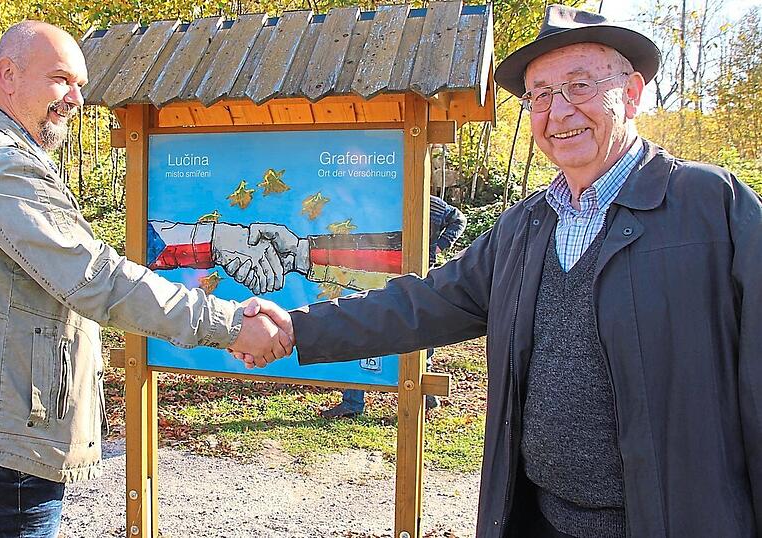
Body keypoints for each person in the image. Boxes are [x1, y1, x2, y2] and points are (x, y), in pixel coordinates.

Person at [238, 5, 762, 537]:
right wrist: (295, 328)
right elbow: (422, 305)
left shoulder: (712, 207)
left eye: (579, 86)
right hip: (543, 521)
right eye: (539, 95)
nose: (558, 113)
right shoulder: (526, 227)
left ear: (630, 93)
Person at [0, 21, 289, 538]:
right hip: (14, 427)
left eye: (81, 84)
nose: (76, 99)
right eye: (62, 79)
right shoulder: (1, 167)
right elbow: (96, 279)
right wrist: (227, 323)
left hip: (15, 418)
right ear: (8, 76)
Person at [322, 195, 465, 418]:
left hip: (418, 274)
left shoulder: (430, 202)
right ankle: (353, 403)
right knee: (365, 329)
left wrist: (439, 246)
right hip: (381, 272)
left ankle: (424, 395)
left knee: (414, 333)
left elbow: (458, 219)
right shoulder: (385, 197)